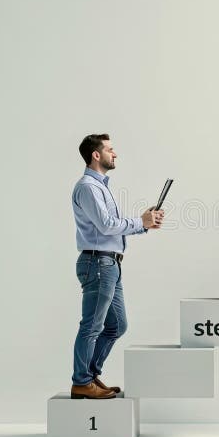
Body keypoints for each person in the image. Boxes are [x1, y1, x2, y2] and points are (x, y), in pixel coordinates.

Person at [70, 133, 164, 399]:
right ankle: (81, 382)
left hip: (109, 263)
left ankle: (90, 376)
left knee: (117, 326)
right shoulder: (88, 187)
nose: (115, 154)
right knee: (92, 325)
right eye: (110, 149)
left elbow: (110, 226)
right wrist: (140, 222)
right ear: (96, 155)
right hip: (98, 263)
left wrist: (144, 225)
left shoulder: (100, 186)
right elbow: (106, 225)